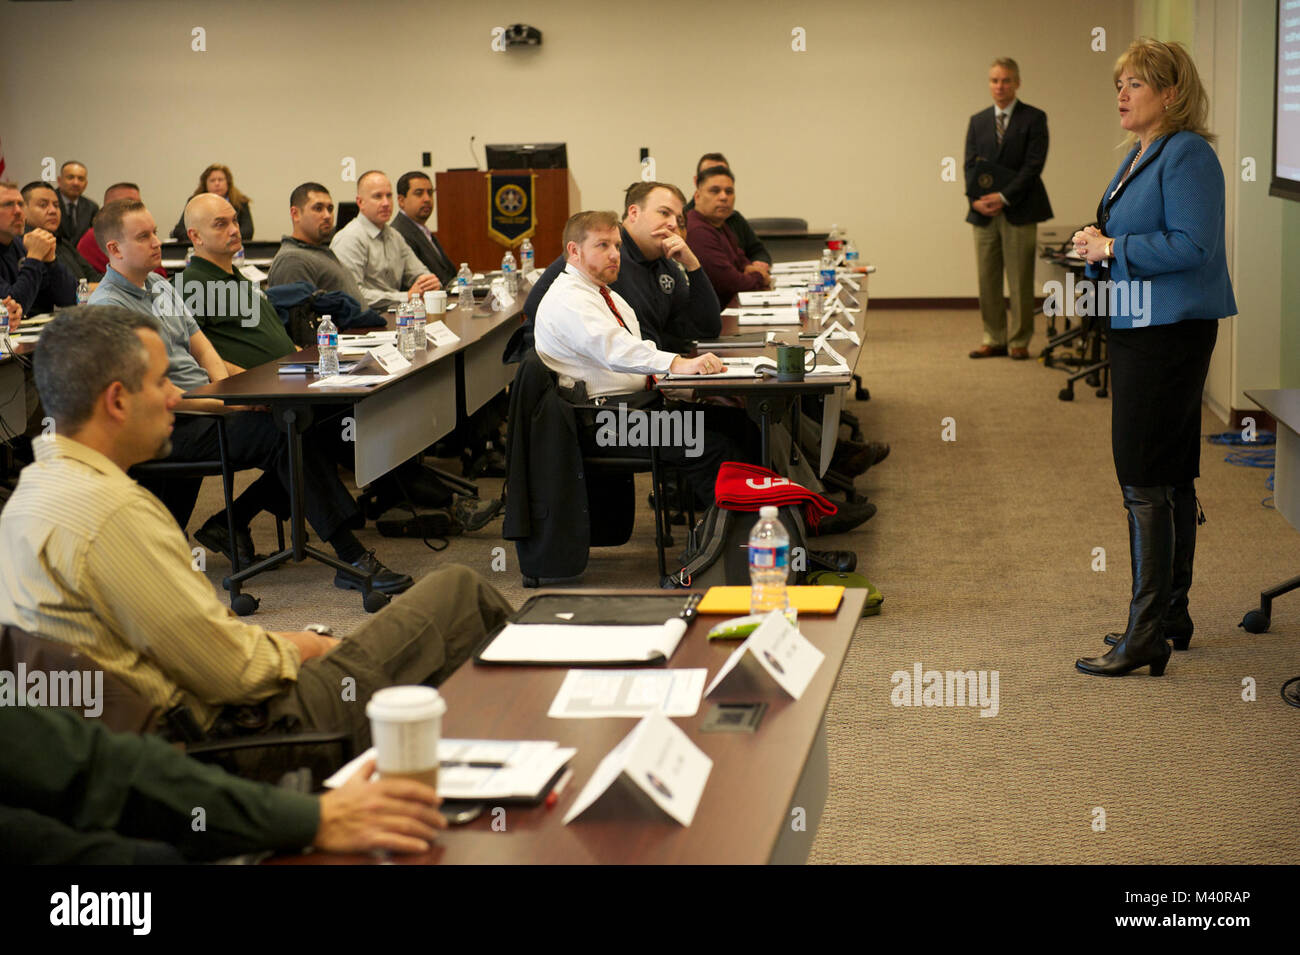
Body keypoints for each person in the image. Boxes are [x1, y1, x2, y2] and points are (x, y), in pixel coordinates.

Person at [0, 306, 512, 751]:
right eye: (160, 382)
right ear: (116, 401)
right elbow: (235, 673)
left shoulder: (32, 494)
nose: (176, 396)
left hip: (148, 728)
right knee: (458, 592)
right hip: (240, 735)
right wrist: (311, 645)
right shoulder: (112, 513)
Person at [87, 199, 412, 592]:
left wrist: (229, 390)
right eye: (144, 236)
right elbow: (155, 397)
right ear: (114, 250)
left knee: (310, 418)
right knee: (281, 429)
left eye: (155, 231)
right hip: (171, 425)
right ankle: (351, 555)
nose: (157, 242)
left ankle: (234, 522)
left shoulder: (158, 284)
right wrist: (230, 403)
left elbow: (203, 349)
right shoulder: (108, 308)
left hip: (207, 407)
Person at [1072, 39, 1236, 678]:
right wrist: (1097, 242)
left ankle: (1145, 634)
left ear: (1171, 93)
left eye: (1135, 83)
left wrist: (1113, 246)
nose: (1122, 93)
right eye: (1121, 83)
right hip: (1142, 321)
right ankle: (1170, 615)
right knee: (1168, 471)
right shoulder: (1144, 152)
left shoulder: (1189, 153)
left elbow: (1193, 245)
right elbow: (1131, 232)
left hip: (1169, 328)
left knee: (1143, 472)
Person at [1, 704, 449, 862]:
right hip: (225, 724)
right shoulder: (109, 518)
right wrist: (309, 817)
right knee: (457, 590)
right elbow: (104, 771)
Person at [534, 210, 753, 505]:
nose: (614, 254)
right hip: (604, 424)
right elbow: (615, 349)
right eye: (603, 245)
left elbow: (633, 361)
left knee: (740, 426)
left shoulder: (602, 294)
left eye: (617, 246)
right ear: (574, 251)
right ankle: (743, 536)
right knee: (711, 445)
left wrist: (677, 380)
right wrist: (677, 364)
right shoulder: (568, 299)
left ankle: (780, 516)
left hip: (629, 412)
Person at [522, 181, 721, 352]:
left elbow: (706, 329)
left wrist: (693, 265)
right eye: (664, 213)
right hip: (591, 377)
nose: (672, 225)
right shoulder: (603, 251)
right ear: (634, 212)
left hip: (645, 371)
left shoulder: (666, 265)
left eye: (678, 219)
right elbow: (534, 307)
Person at [964, 57, 1053, 360]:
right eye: (994, 80)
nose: (999, 86)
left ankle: (1019, 340)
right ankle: (993, 337)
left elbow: (1033, 167)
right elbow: (969, 165)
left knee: (1020, 278)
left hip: (1020, 209)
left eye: (1005, 80)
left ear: (1017, 83)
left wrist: (1002, 197)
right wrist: (974, 198)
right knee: (987, 278)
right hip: (982, 214)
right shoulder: (977, 121)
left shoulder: (1034, 118)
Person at [330, 170, 441, 310]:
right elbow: (353, 294)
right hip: (364, 323)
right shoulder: (349, 239)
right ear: (360, 202)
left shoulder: (395, 236)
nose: (386, 203)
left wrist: (428, 282)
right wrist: (406, 296)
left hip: (396, 316)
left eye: (389, 196)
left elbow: (418, 272)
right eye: (378, 196)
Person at [267, 181, 367, 303]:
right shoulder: (292, 261)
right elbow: (299, 318)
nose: (327, 215)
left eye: (330, 209)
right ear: (295, 214)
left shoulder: (319, 251)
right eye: (318, 208)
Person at [686, 166, 770, 303]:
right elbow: (730, 283)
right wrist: (760, 277)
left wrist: (749, 268)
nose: (724, 197)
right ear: (697, 196)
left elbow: (740, 258)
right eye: (715, 191)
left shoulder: (719, 224)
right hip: (714, 317)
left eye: (729, 191)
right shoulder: (697, 230)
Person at [0, 181, 69, 316]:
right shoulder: (31, 249)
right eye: (8, 205)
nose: (19, 211)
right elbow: (11, 311)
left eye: (20, 204)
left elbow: (70, 299)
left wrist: (51, 262)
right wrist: (35, 257)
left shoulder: (21, 244)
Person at [21, 180, 102, 284]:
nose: (53, 211)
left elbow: (92, 276)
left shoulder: (62, 242)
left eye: (56, 205)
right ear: (22, 210)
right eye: (43, 205)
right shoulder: (22, 244)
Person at [78, 182, 166, 276]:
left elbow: (160, 274)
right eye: (128, 203)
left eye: (138, 204)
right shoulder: (92, 238)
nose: (157, 243)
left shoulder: (155, 280)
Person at [391, 171, 457, 287]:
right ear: (401, 201)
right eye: (419, 193)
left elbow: (447, 272)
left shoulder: (421, 228)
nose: (427, 199)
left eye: (430, 193)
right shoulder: (399, 233)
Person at [171, 163, 254, 241]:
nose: (217, 183)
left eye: (220, 180)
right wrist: (208, 239)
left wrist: (220, 238)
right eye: (212, 180)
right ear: (205, 184)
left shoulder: (240, 202)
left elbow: (248, 231)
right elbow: (179, 231)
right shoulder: (194, 202)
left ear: (228, 183)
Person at [55, 161, 98, 246]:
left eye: (81, 179)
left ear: (85, 184)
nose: (76, 183)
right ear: (59, 181)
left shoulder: (92, 207)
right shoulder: (48, 203)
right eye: (70, 177)